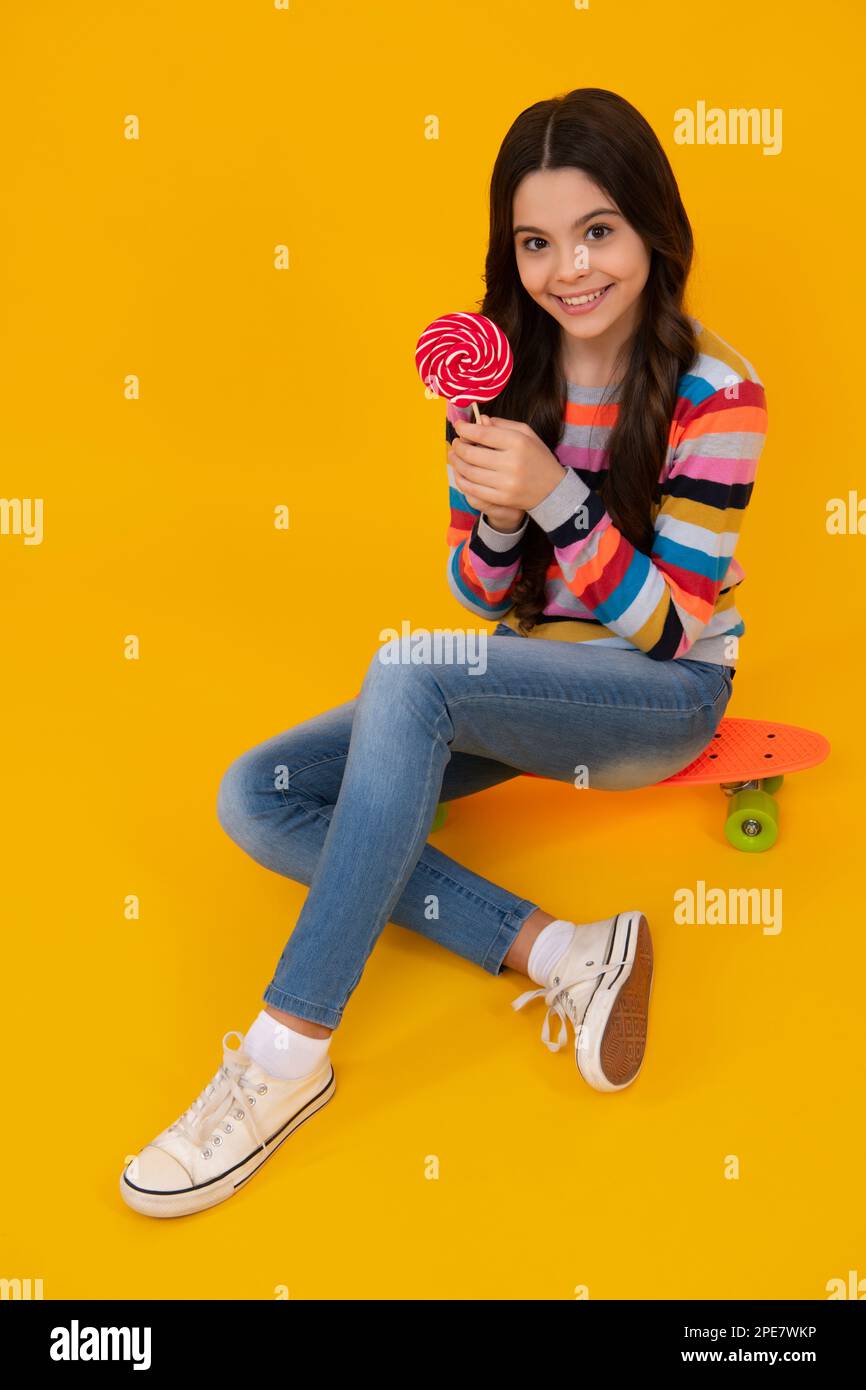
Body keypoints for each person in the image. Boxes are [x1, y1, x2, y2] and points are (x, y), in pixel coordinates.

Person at [120, 87, 768, 1218]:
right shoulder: (492, 379)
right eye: (534, 241)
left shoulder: (720, 393)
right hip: (531, 688)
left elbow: (671, 626)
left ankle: (281, 1060)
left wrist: (557, 496)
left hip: (661, 698)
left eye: (595, 231)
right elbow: (481, 593)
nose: (566, 268)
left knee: (410, 670)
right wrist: (502, 512)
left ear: (650, 228)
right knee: (259, 795)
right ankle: (564, 952)